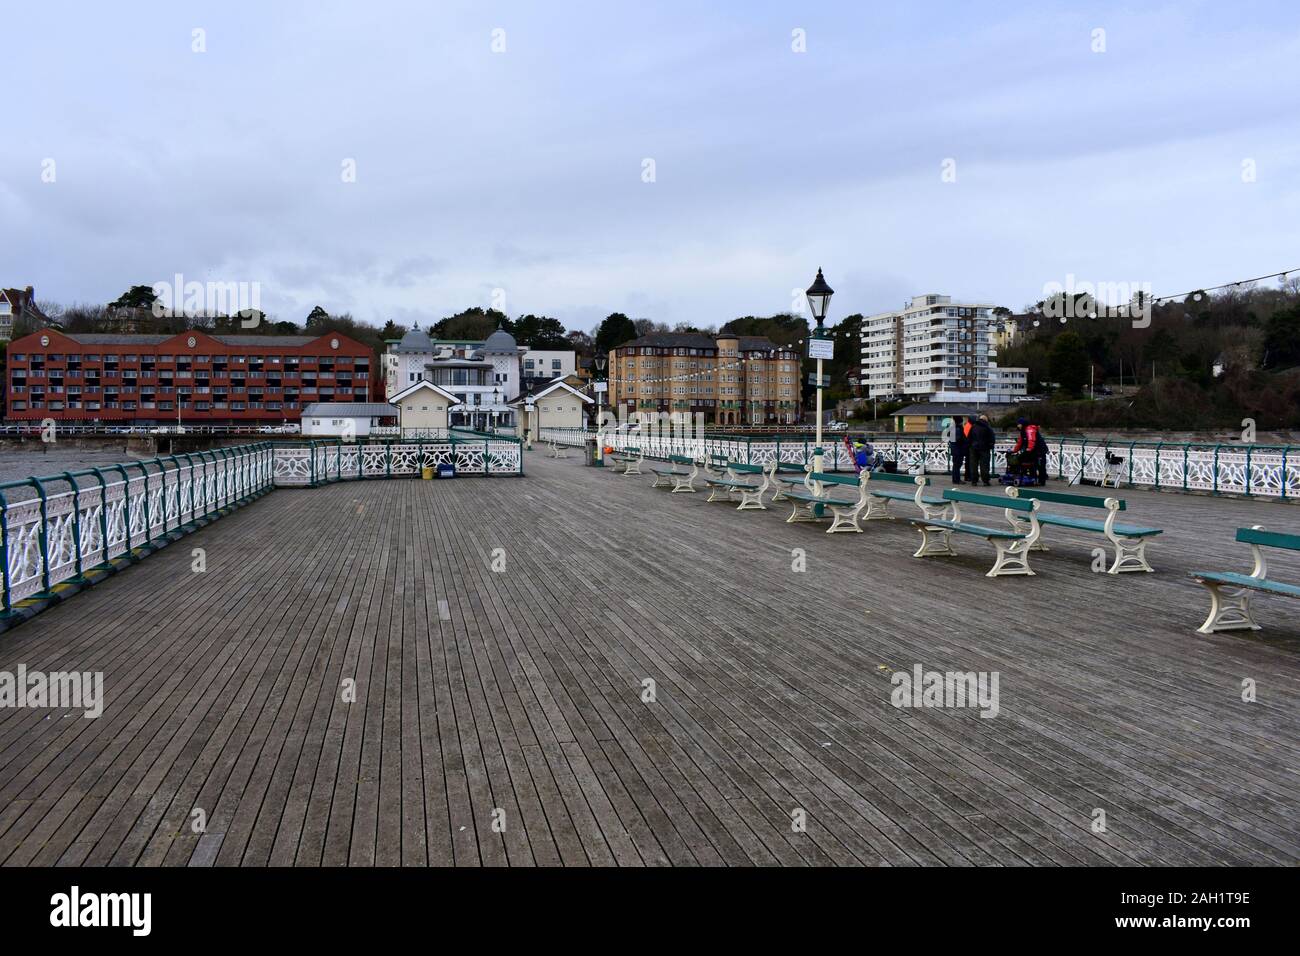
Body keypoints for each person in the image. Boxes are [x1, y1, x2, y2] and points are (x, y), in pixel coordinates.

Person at [969, 414, 995, 486]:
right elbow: (992, 438)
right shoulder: (988, 427)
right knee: (984, 465)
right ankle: (985, 481)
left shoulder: (973, 427)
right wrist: (990, 446)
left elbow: (969, 438)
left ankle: (974, 481)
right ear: (986, 420)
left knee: (973, 465)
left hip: (974, 448)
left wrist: (971, 445)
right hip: (984, 448)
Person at [948, 416, 969, 484]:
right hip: (958, 450)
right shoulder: (958, 429)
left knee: (955, 465)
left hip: (954, 449)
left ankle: (955, 479)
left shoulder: (952, 428)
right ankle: (957, 480)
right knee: (957, 465)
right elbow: (959, 440)